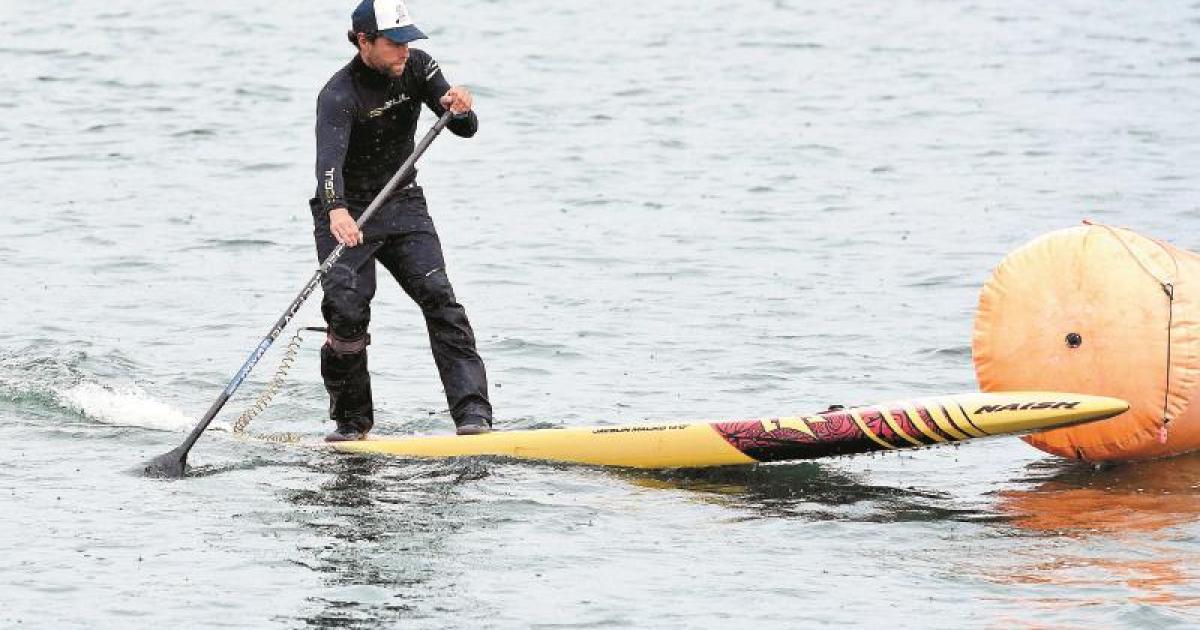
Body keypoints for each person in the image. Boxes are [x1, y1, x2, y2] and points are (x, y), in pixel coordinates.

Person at [310, 0, 492, 441]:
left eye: (409, 41)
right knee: (347, 312)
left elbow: (464, 128)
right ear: (364, 41)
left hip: (402, 202)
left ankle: (473, 417)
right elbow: (328, 164)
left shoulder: (420, 68)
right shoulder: (338, 95)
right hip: (349, 211)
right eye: (395, 43)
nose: (404, 51)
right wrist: (337, 209)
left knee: (440, 298)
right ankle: (351, 424)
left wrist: (460, 107)